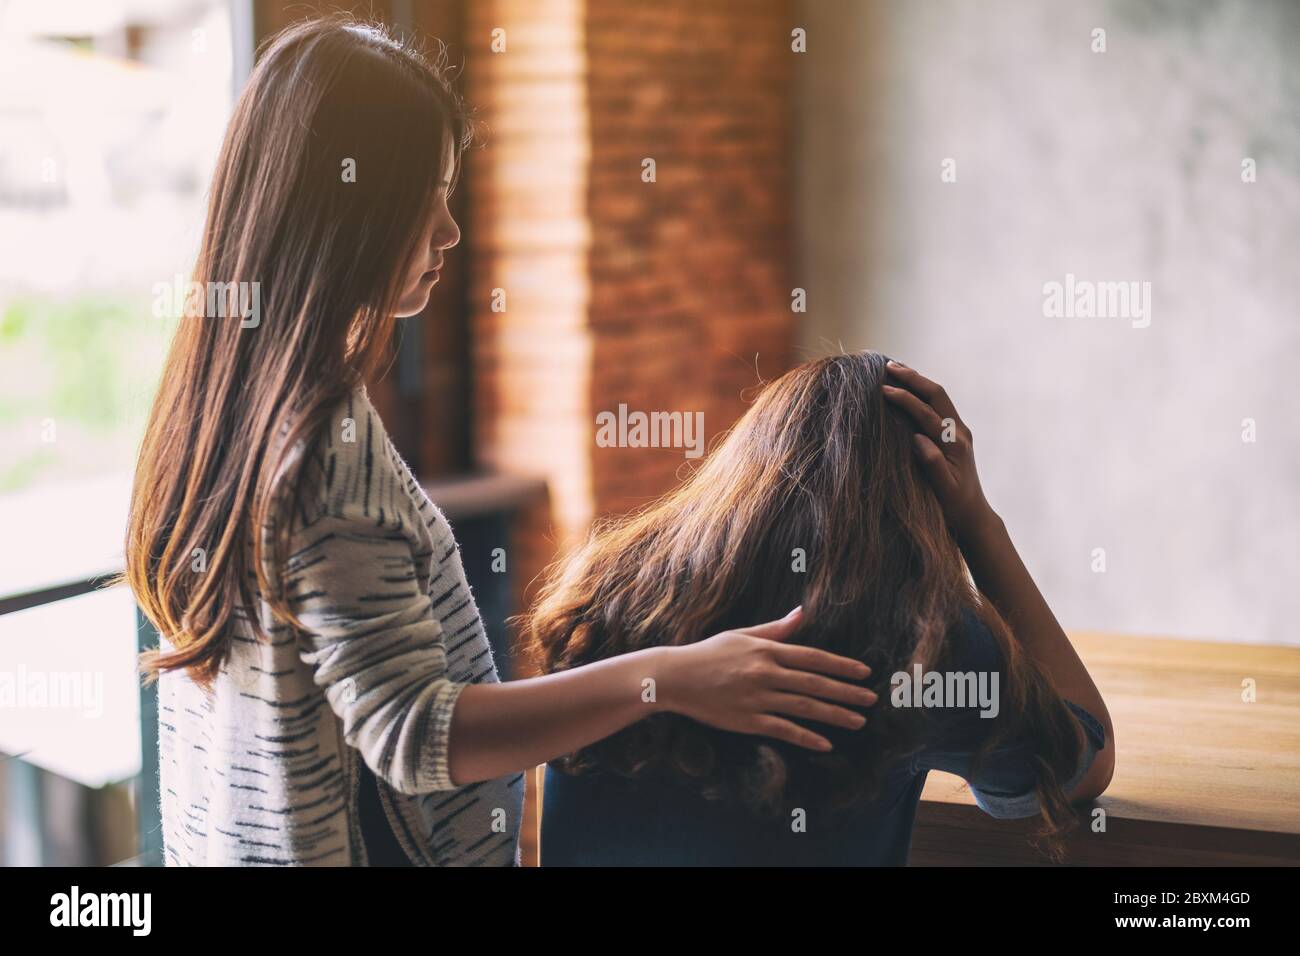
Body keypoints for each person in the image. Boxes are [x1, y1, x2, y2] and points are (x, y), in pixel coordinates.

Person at [123, 18, 877, 866]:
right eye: (425, 195)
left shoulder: (212, 407)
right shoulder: (320, 445)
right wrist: (671, 677)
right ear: (346, 205)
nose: (447, 231)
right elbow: (417, 735)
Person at [529, 351, 1115, 865]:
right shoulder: (918, 639)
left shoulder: (608, 590)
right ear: (923, 491)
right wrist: (978, 524)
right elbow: (1081, 764)